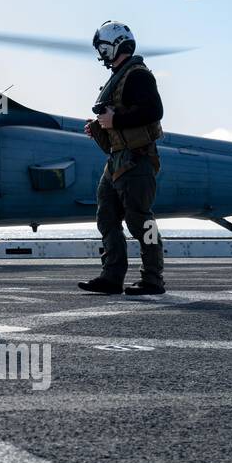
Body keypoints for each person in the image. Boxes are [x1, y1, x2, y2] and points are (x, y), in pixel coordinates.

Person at [80, 21, 166, 296]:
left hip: (137, 160)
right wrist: (100, 125)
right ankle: (111, 276)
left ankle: (153, 280)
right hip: (117, 160)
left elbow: (154, 111)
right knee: (106, 217)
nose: (101, 55)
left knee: (140, 221)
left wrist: (114, 118)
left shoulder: (138, 75)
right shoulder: (120, 76)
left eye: (102, 48)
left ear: (113, 45)